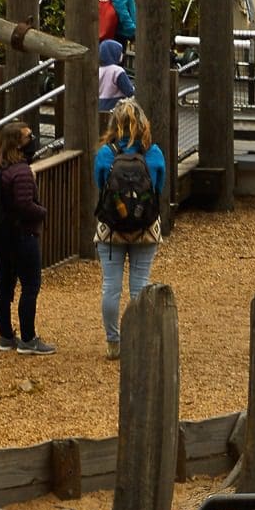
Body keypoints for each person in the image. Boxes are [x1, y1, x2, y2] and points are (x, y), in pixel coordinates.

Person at [94, 97, 167, 360]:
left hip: (110, 229)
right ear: (144, 123)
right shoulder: (154, 154)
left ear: (114, 123)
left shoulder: (105, 154)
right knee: (139, 287)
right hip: (145, 228)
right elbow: (158, 189)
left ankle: (113, 342)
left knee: (111, 287)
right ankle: (140, 339)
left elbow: (100, 186)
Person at [0, 120, 54, 356]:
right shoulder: (22, 172)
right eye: (29, 138)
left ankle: (6, 336)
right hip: (23, 236)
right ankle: (28, 338)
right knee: (30, 286)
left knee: (5, 287)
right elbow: (25, 205)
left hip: (2, 237)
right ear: (18, 145)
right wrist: (43, 212)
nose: (33, 141)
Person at [97, 38, 134, 117]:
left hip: (99, 107)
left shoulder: (98, 70)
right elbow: (129, 91)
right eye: (120, 52)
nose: (122, 54)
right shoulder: (117, 71)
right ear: (114, 53)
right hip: (115, 107)